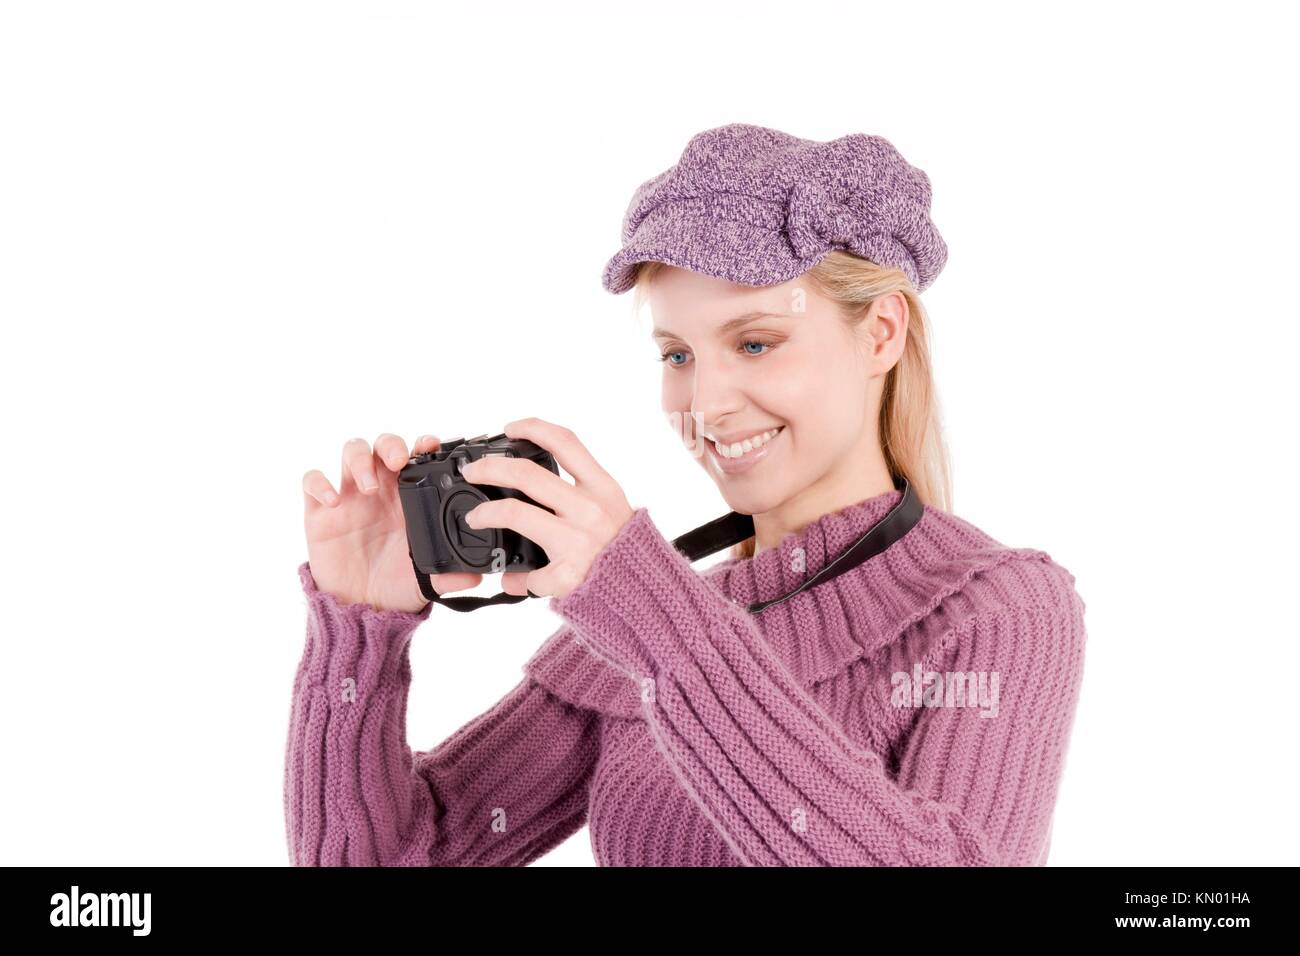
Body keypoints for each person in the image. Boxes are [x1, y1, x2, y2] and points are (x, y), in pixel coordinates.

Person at [284, 123, 1088, 866]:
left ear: (880, 333)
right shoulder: (639, 617)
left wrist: (650, 612)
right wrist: (359, 630)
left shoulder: (1001, 608)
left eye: (755, 342)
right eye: (677, 355)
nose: (708, 402)